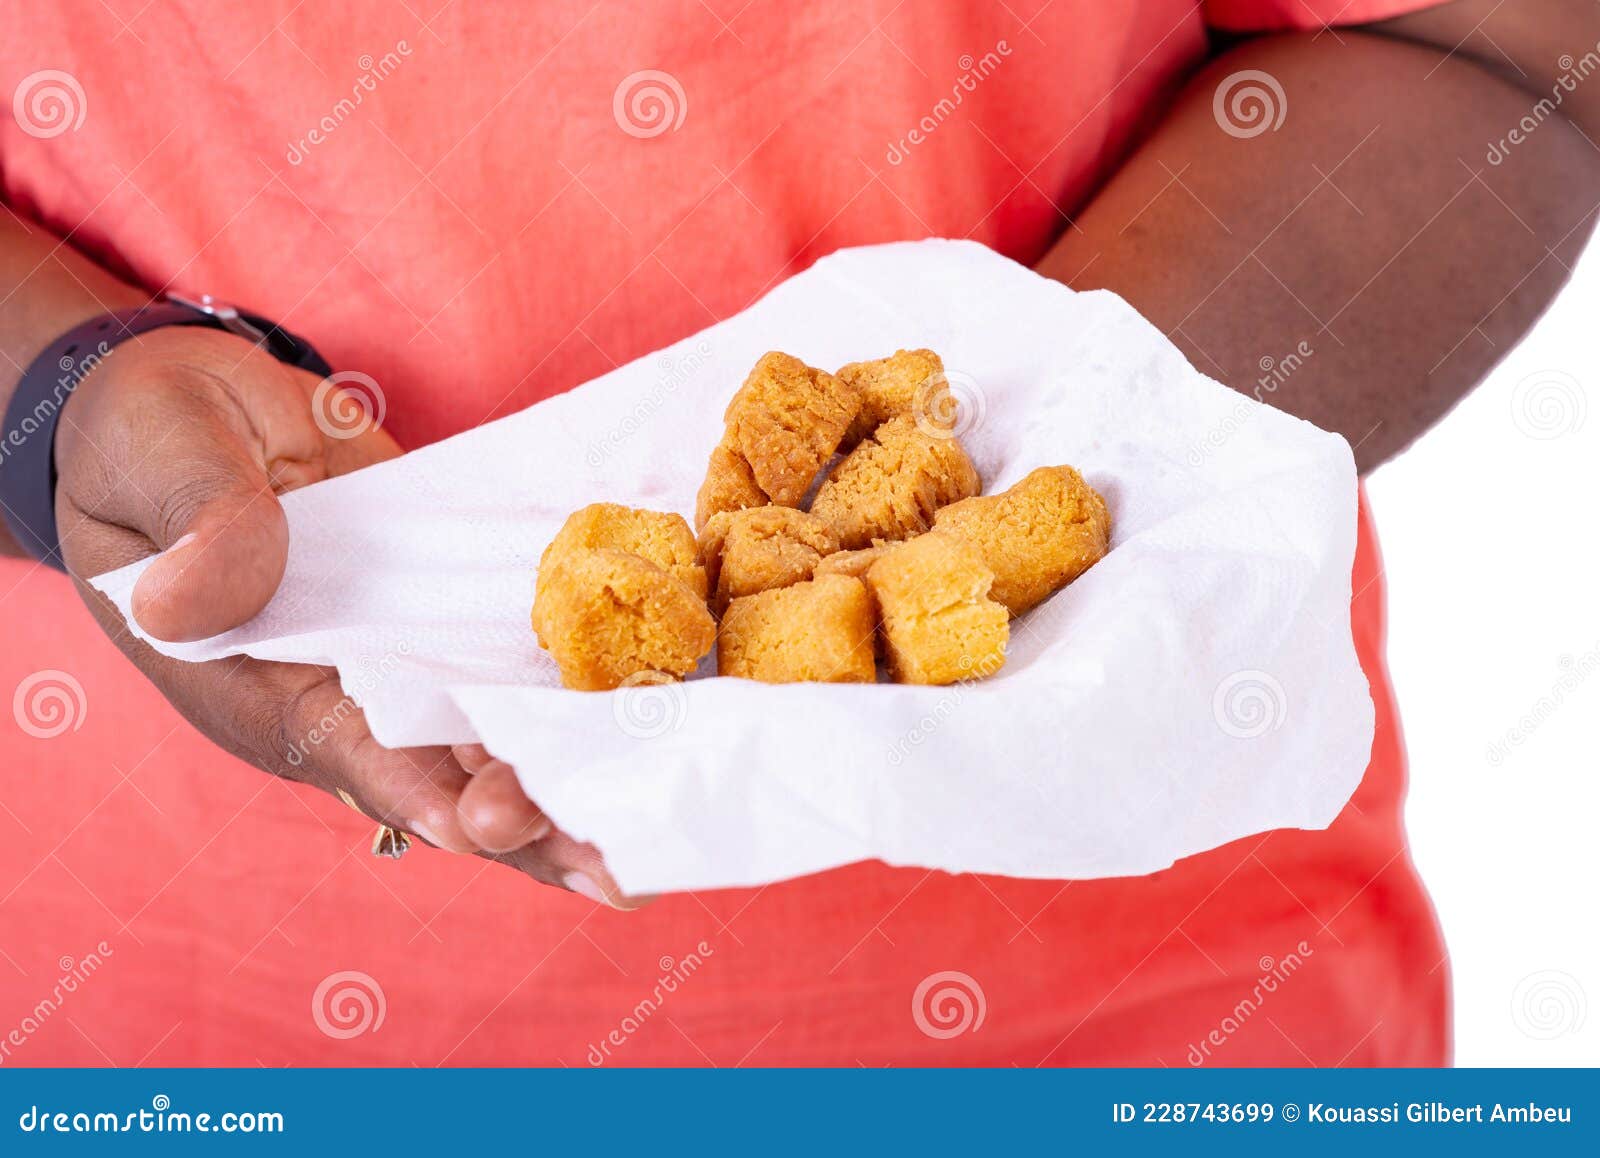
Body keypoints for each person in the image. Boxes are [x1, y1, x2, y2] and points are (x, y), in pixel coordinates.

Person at [0, 0, 1590, 1066]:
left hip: (1139, 1028)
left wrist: (1081, 427)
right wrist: (50, 400)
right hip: (152, 1012)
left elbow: (1499, 42)